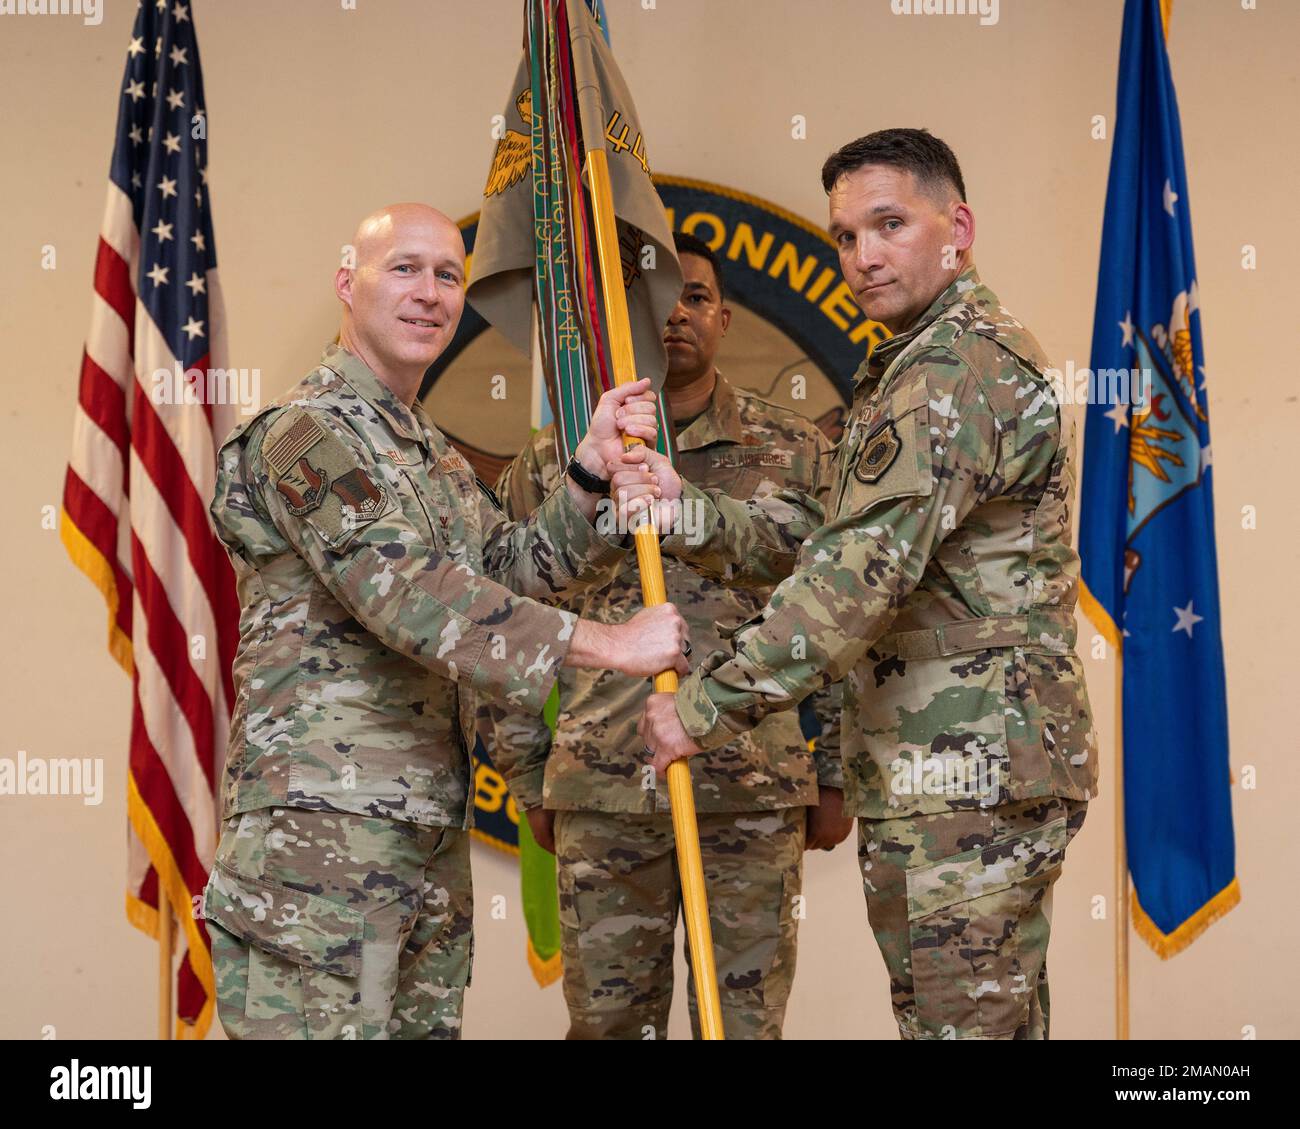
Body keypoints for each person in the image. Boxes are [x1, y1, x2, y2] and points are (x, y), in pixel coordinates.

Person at [622, 130, 1098, 1040]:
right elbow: (826, 539)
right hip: (943, 767)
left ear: (957, 227)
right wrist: (690, 512)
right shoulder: (911, 366)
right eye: (844, 235)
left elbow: (853, 578)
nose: (863, 255)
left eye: (890, 223)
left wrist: (704, 707)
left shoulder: (954, 371)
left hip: (970, 769)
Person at [201, 203, 689, 1040]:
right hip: (322, 830)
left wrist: (586, 476)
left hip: (422, 824)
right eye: (404, 269)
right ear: (346, 285)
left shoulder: (428, 452)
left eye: (449, 275)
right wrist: (608, 644)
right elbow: (404, 591)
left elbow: (500, 569)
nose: (429, 293)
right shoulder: (305, 432)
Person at [486, 232, 850, 1040]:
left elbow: (839, 605)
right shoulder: (563, 459)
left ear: (723, 316)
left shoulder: (793, 448)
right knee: (610, 1028)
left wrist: (835, 769)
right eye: (659, 299)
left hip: (749, 788)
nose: (678, 313)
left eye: (695, 296)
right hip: (601, 789)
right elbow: (506, 614)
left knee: (744, 1027)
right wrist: (526, 768)